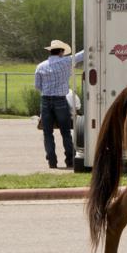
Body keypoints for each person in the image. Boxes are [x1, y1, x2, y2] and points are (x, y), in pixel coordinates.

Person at [34, 39, 75, 169]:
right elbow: (81, 55)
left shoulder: (40, 66)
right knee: (66, 132)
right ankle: (69, 159)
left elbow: (37, 86)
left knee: (47, 133)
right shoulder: (66, 62)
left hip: (45, 100)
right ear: (61, 52)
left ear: (51, 51)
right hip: (60, 100)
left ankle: (52, 161)